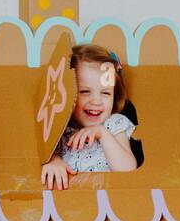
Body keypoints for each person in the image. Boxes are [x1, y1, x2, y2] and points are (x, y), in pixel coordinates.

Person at [42, 44, 138, 190]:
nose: (96, 101)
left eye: (105, 93)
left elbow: (128, 170)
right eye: (85, 91)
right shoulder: (59, 129)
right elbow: (41, 155)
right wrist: (53, 161)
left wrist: (103, 134)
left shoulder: (114, 124)